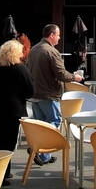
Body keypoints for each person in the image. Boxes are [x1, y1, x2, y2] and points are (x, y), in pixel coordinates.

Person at [26, 23, 82, 165]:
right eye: (58, 35)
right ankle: (37, 148)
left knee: (41, 124)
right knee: (54, 122)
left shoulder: (34, 49)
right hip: (48, 94)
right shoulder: (51, 51)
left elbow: (28, 69)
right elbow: (61, 74)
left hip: (35, 93)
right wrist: (75, 77)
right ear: (51, 35)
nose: (59, 38)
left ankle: (43, 155)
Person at [0, 38, 33, 185]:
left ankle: (3, 171)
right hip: (13, 111)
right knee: (9, 143)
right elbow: (30, 91)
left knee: (0, 142)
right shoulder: (20, 69)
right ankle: (3, 175)